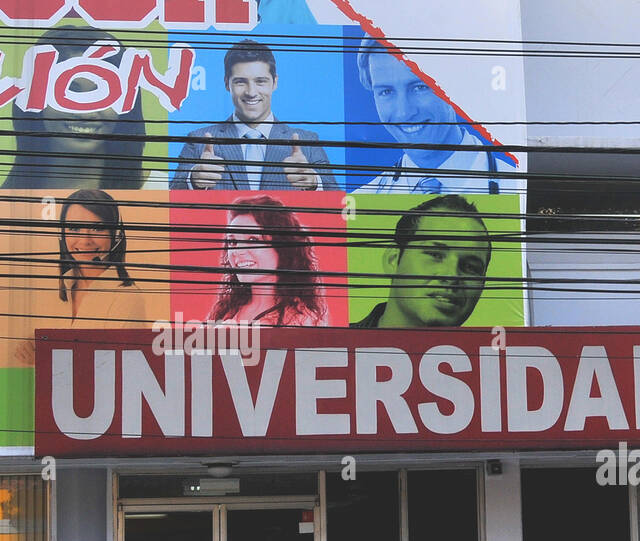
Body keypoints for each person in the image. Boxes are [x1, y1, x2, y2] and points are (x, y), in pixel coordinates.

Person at [172, 39, 338, 191]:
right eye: (240, 82)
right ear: (226, 84)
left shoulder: (307, 143)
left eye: (260, 81)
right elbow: (169, 205)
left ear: (275, 82)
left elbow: (338, 206)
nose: (251, 92)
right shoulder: (197, 141)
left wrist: (313, 183)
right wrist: (193, 180)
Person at [352, 35, 502, 195]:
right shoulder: (362, 201)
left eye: (420, 87)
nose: (404, 112)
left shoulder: (517, 188)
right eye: (386, 91)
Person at [3, 26, 147, 190]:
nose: (87, 114)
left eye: (102, 94)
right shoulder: (9, 200)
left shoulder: (162, 190)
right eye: (70, 92)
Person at [351, 195, 491, 329]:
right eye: (435, 254)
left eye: (470, 267)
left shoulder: (492, 352)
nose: (452, 275)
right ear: (393, 259)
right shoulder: (335, 343)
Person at [208, 196, 328, 327]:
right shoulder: (227, 310)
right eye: (233, 242)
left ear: (282, 248)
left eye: (252, 240)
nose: (238, 251)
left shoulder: (302, 320)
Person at [58, 189, 147, 327]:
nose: (85, 241)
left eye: (97, 229)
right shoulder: (67, 285)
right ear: (62, 235)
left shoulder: (126, 299)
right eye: (74, 228)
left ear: (116, 235)